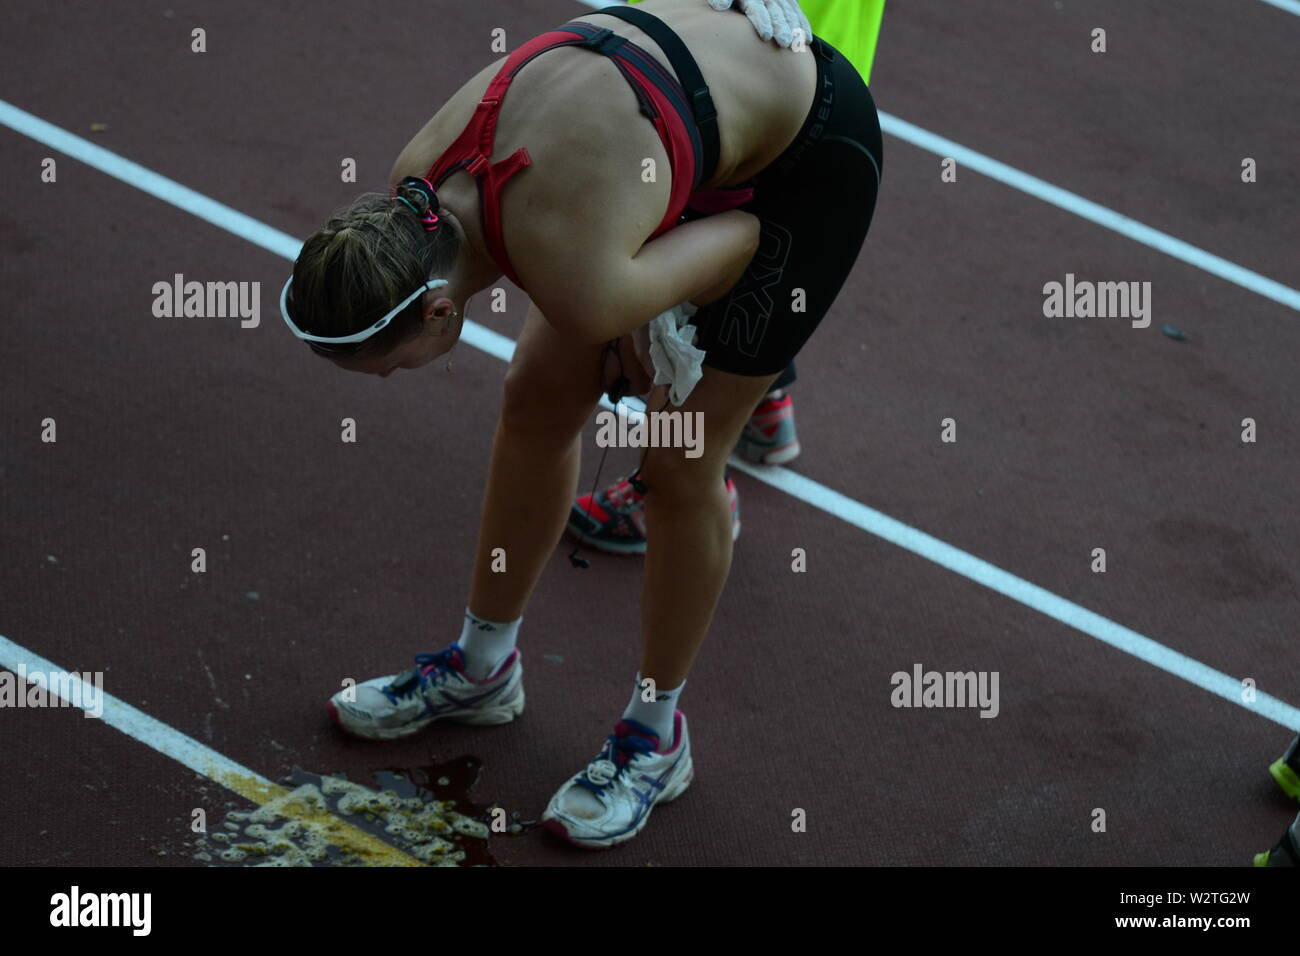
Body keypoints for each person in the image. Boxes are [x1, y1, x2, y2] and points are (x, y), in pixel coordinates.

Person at [279, 0, 882, 848]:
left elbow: (739, 240)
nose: (384, 384)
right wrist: (624, 285)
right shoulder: (418, 179)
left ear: (442, 311)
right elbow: (589, 228)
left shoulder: (573, 270)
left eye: (384, 368)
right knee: (535, 396)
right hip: (654, 143)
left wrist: (648, 307)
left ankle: (655, 737)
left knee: (677, 462)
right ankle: (482, 669)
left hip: (799, 173)